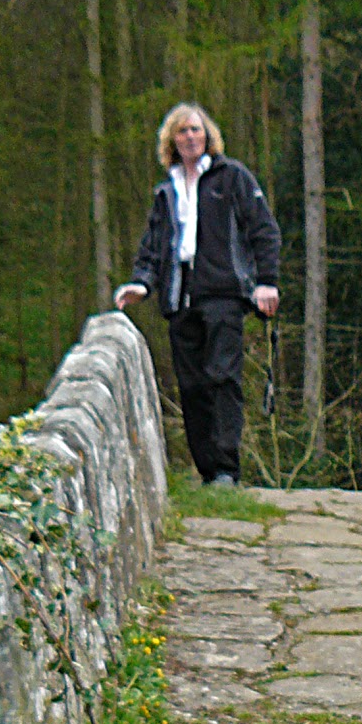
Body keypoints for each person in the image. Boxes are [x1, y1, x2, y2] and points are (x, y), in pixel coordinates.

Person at [114, 103, 280, 487]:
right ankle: (206, 469)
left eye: (196, 130)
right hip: (178, 298)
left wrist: (266, 282)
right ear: (171, 139)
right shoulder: (165, 191)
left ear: (208, 136)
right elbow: (153, 247)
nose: (190, 137)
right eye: (183, 131)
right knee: (191, 386)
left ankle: (226, 469)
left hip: (223, 293)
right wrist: (142, 283)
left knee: (223, 378)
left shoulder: (233, 178)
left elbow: (263, 231)